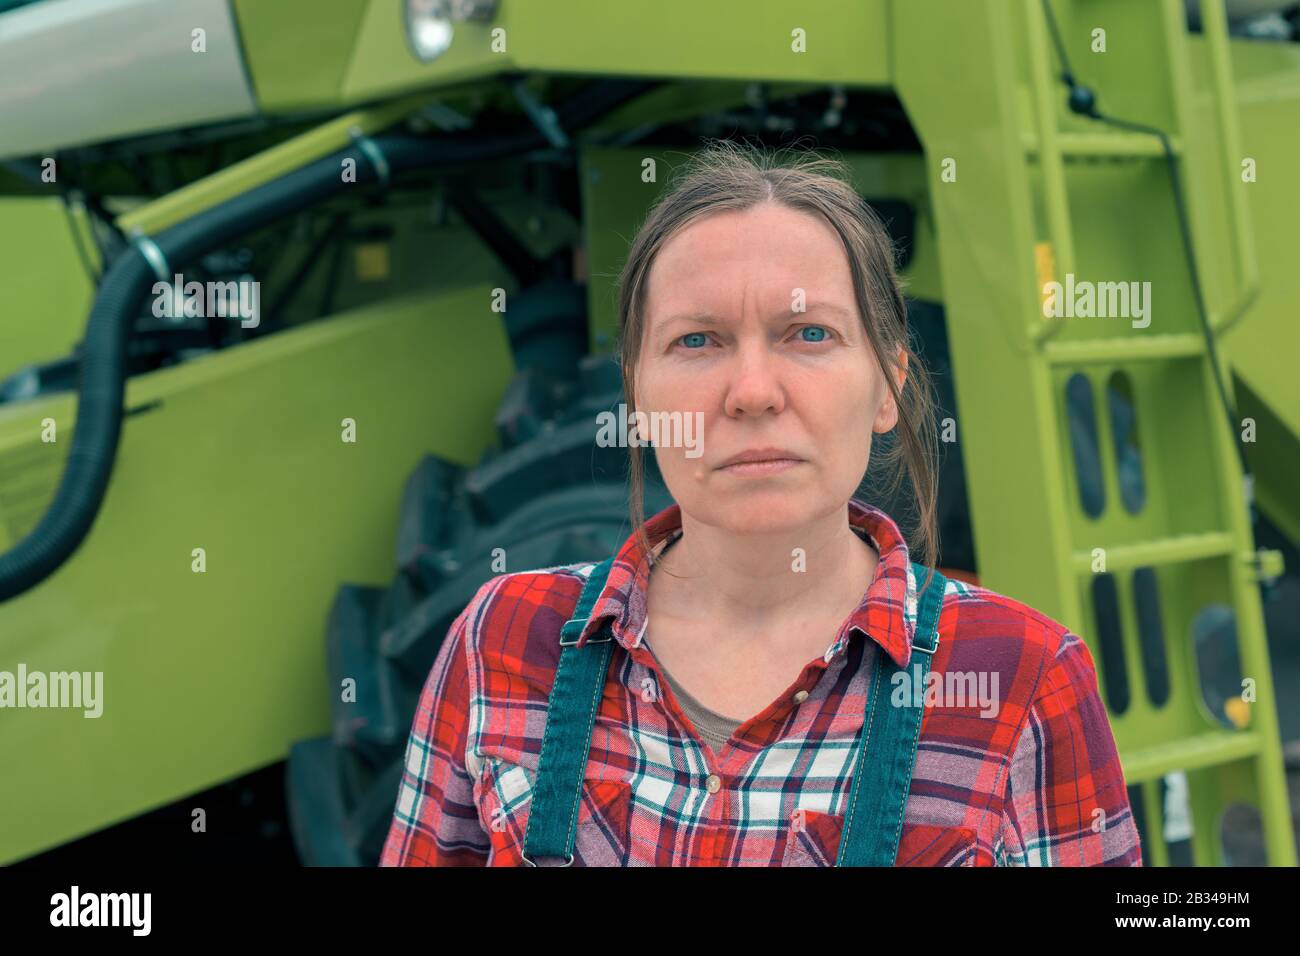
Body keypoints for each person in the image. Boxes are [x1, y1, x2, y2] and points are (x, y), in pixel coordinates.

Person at [380, 140, 1142, 867]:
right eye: (698, 341)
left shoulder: (1022, 682)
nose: (751, 392)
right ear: (637, 397)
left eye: (809, 333)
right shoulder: (503, 642)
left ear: (887, 385)